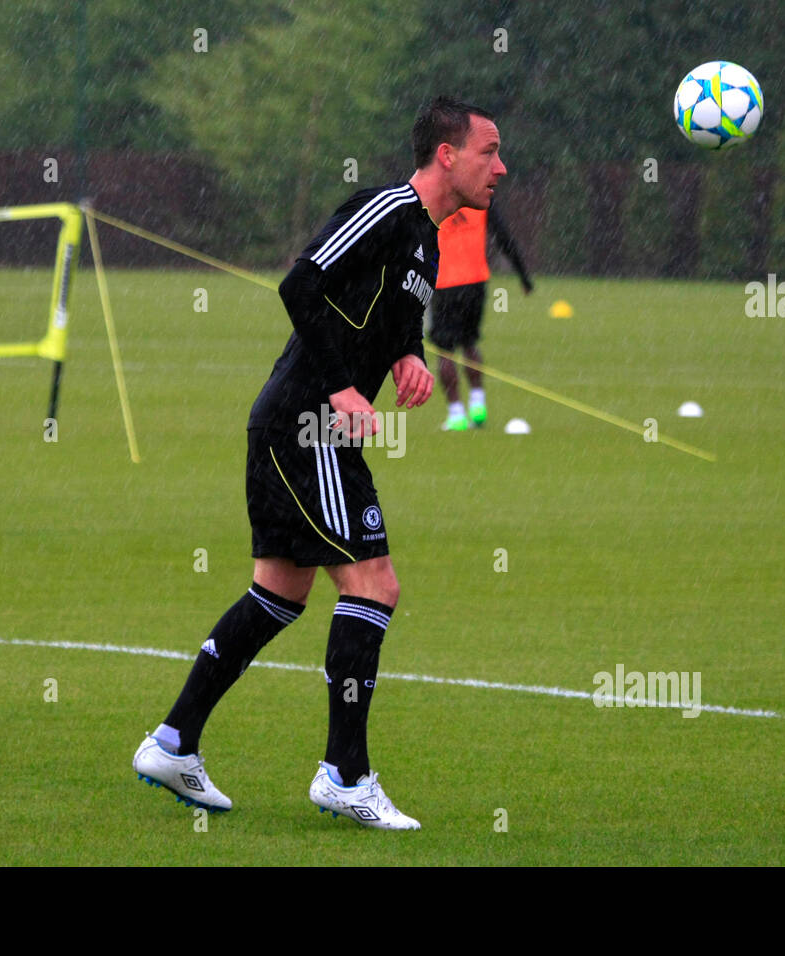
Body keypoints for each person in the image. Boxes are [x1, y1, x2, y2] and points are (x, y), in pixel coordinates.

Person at [133, 95, 507, 830]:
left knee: (279, 592)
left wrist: (410, 360)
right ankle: (345, 773)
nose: (501, 166)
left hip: (300, 427)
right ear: (446, 154)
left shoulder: (428, 243)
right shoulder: (384, 210)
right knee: (375, 584)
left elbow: (394, 325)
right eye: (489, 151)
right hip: (306, 426)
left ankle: (173, 742)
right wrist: (339, 387)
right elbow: (299, 283)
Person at [430, 202, 533, 431]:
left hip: (444, 284)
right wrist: (523, 277)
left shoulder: (436, 198)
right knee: (469, 343)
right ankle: (478, 404)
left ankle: (456, 415)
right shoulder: (479, 198)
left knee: (445, 350)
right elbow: (504, 237)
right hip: (475, 283)